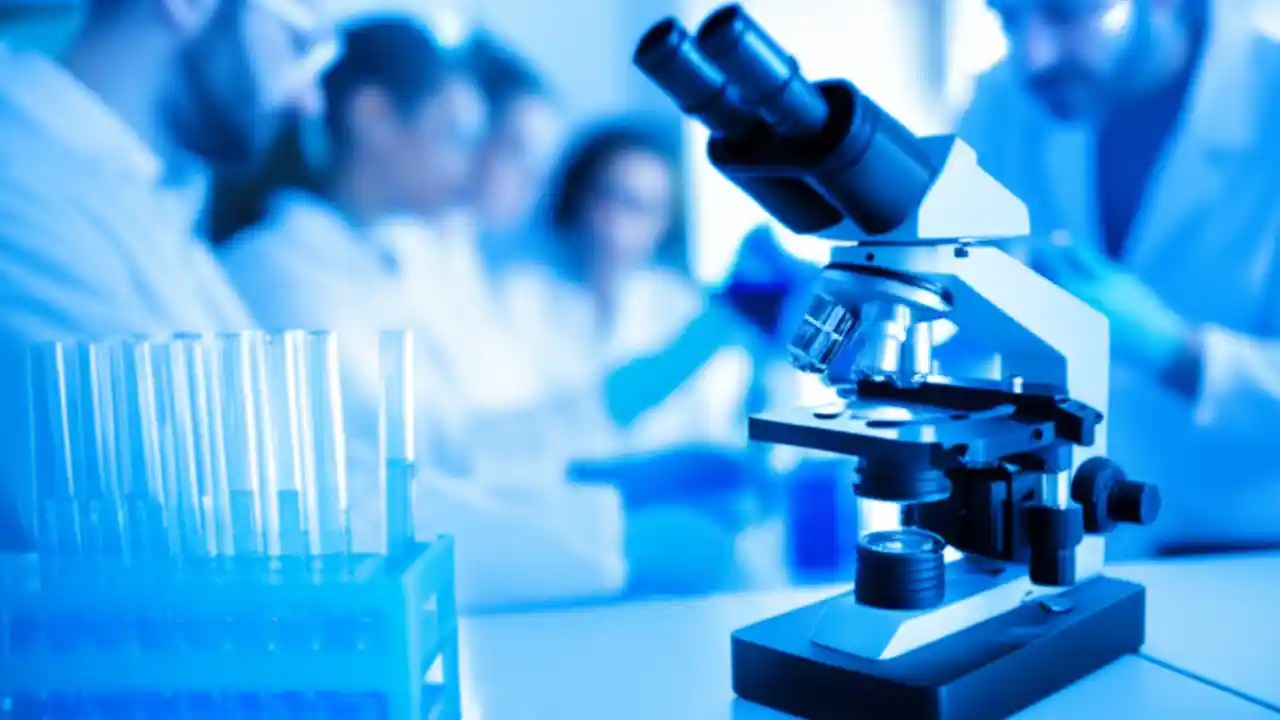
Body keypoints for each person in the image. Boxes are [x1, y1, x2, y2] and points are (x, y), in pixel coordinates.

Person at [221, 18, 626, 608]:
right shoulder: (282, 274)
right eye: (455, 134)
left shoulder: (376, 262)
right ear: (373, 118)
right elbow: (414, 470)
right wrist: (616, 521)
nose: (469, 166)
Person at [958, 0, 1280, 554]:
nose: (1034, 56)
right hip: (1073, 536)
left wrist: (1176, 351)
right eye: (1008, 20)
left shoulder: (1267, 99)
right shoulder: (1005, 101)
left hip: (1247, 550)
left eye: (1064, 14)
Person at [0, 0, 333, 502]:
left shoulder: (154, 197)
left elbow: (304, 467)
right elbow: (205, 500)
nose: (310, 101)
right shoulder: (19, 182)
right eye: (299, 42)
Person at [461, 31, 564, 276]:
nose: (533, 181)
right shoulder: (404, 256)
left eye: (542, 164)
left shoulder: (471, 265)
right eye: (519, 152)